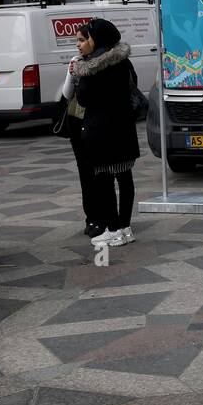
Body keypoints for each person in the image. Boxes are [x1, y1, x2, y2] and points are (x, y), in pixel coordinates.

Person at [73, 18, 140, 248]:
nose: (83, 42)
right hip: (124, 129)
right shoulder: (123, 62)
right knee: (125, 178)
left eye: (87, 37)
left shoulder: (93, 68)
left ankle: (112, 230)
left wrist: (78, 74)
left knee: (104, 180)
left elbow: (82, 98)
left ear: (97, 39)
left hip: (102, 132)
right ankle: (125, 227)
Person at [59, 36, 101, 237]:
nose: (78, 44)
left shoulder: (101, 62)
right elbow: (67, 94)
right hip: (76, 121)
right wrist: (70, 73)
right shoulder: (76, 61)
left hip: (94, 123)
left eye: (82, 39)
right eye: (77, 40)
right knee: (84, 171)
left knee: (98, 170)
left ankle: (103, 216)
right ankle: (90, 217)